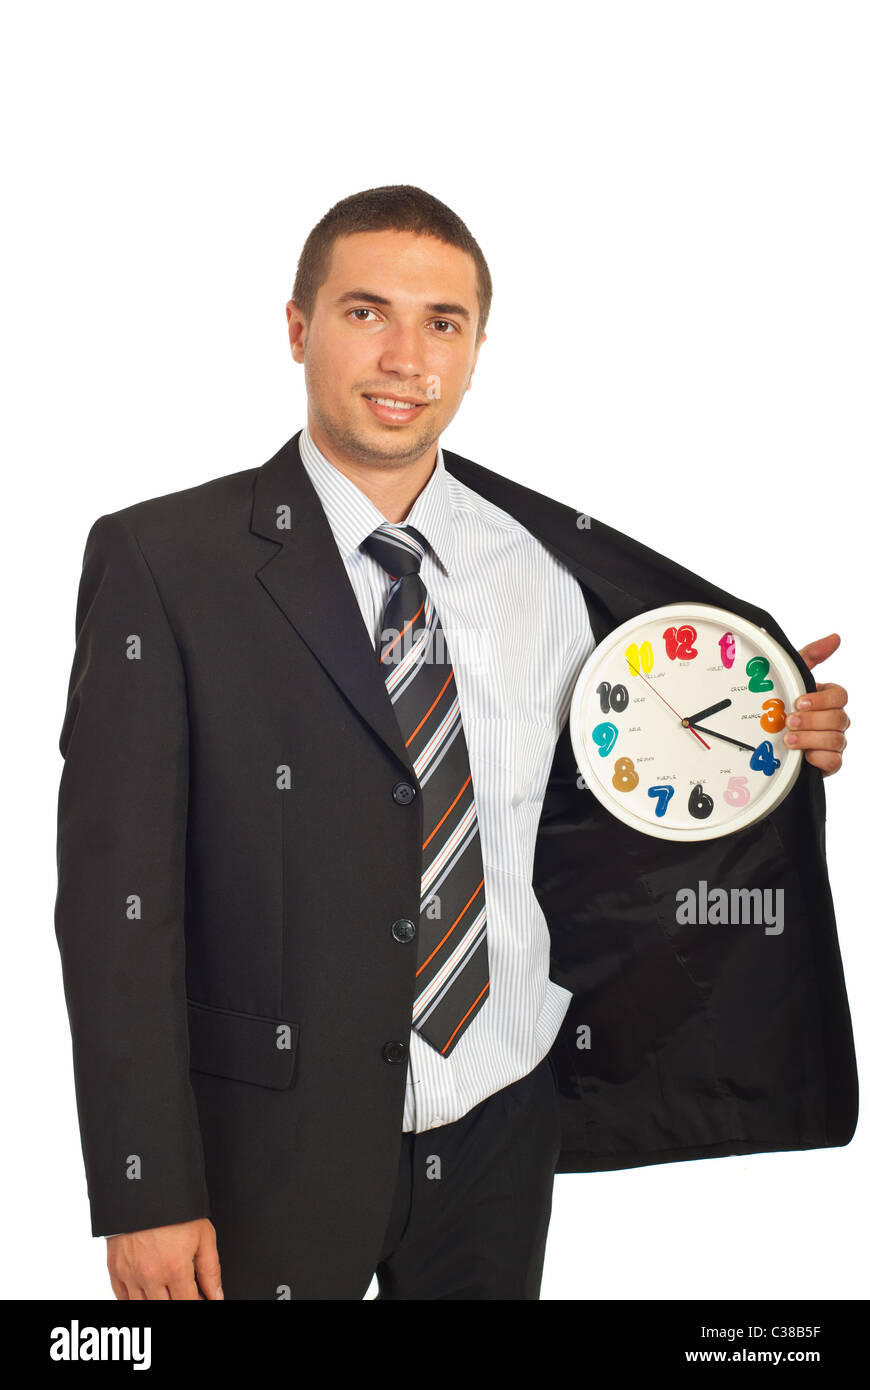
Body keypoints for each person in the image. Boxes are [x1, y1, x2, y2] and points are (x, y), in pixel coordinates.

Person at [54, 185, 854, 1301]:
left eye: (443, 323)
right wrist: (143, 1186)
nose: (403, 355)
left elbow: (622, 788)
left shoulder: (542, 569)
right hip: (269, 1137)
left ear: (477, 350)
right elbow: (114, 904)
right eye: (364, 311)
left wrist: (774, 732)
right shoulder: (163, 559)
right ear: (297, 328)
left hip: (499, 1113)